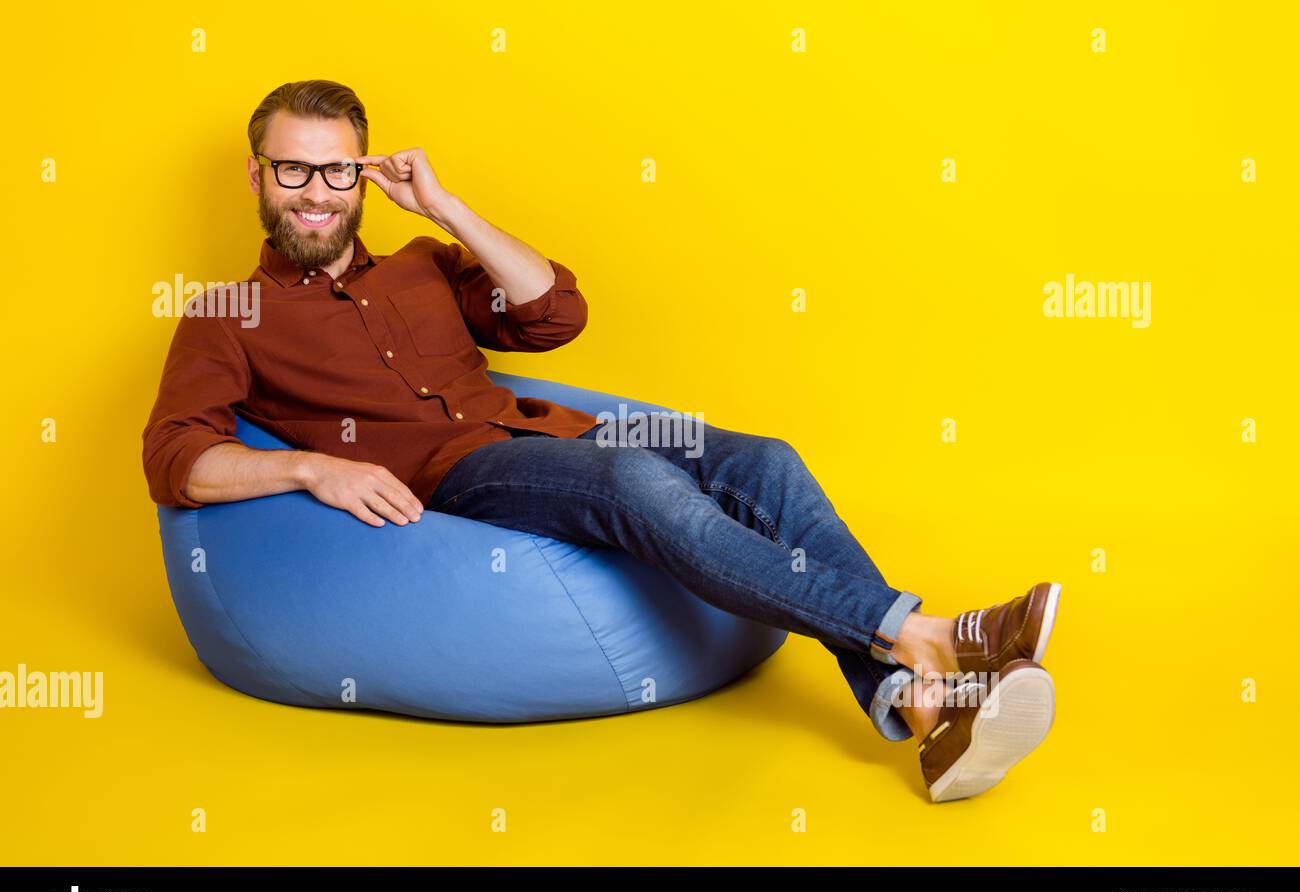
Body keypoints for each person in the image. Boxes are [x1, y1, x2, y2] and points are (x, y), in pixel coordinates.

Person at [143, 79, 1061, 803]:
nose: (315, 194)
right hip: (466, 473)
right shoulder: (230, 316)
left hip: (561, 427)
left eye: (336, 171)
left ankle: (915, 699)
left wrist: (447, 208)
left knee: (764, 460)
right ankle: (928, 633)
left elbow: (552, 315)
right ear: (257, 176)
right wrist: (312, 465)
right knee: (635, 481)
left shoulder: (425, 266)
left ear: (363, 177)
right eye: (292, 170)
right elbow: (175, 457)